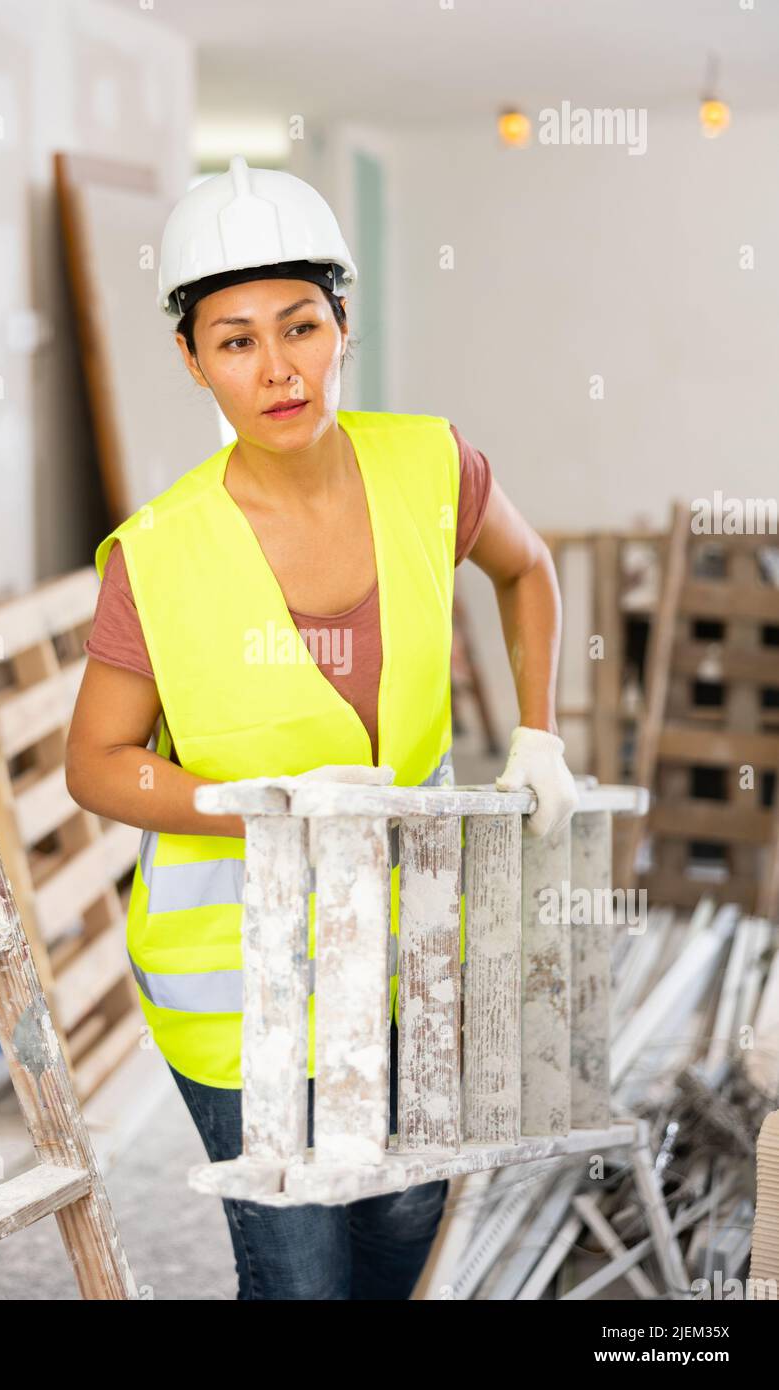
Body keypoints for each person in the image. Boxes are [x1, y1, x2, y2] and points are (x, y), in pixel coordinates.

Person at [66, 154, 579, 1300]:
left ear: (342, 322)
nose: (275, 367)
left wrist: (536, 733)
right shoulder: (158, 553)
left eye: (298, 325)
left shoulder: (425, 463)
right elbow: (92, 766)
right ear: (191, 359)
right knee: (303, 1274)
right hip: (232, 980)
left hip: (404, 950)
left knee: (405, 1226)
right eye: (235, 338)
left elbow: (528, 567)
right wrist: (258, 812)